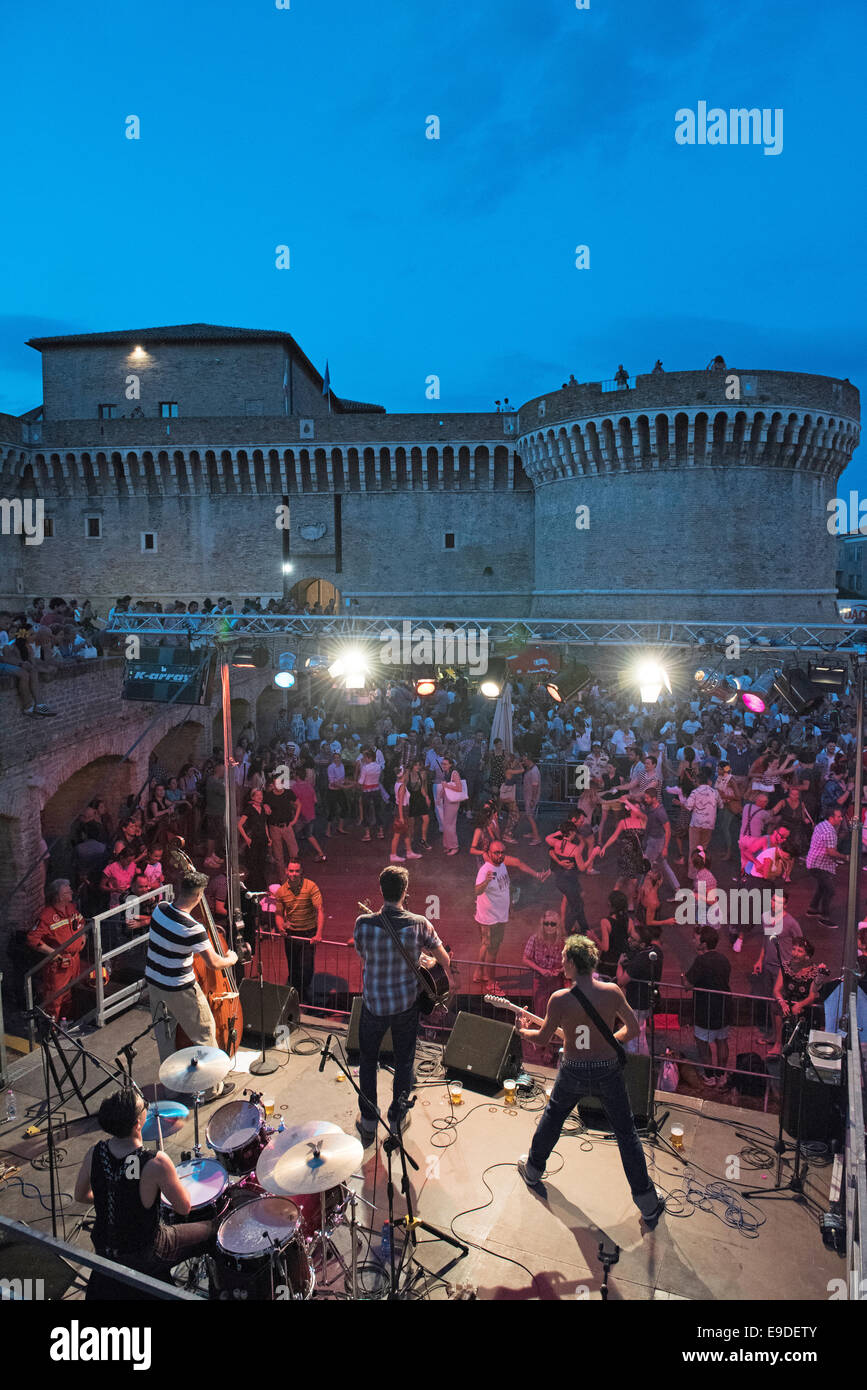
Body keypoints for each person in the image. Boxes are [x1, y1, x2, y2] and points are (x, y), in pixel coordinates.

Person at [515, 934, 663, 1224]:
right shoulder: (611, 992)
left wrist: (523, 1031)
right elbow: (632, 1029)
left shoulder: (560, 999)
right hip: (608, 1069)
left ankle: (532, 1171)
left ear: (571, 963)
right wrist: (610, 1042)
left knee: (554, 1117)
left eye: (563, 959)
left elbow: (544, 1038)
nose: (561, 963)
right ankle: (647, 1202)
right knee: (626, 1132)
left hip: (572, 1069)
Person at [74, 1088, 215, 1299]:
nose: (147, 1108)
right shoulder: (155, 1161)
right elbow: (183, 1207)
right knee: (213, 1231)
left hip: (105, 1249)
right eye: (144, 1107)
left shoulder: (95, 1152)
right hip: (146, 1251)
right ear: (137, 1123)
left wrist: (114, 1197)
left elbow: (81, 1196)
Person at [353, 866, 451, 1145]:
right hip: (405, 1006)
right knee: (404, 1060)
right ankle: (396, 1118)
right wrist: (426, 960)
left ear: (381, 890)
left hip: (373, 1005)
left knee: (368, 1061)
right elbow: (444, 961)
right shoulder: (420, 923)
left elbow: (363, 953)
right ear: (405, 892)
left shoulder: (363, 923)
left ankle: (369, 1120)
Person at [145, 871, 237, 1102]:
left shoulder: (161, 909)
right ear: (199, 896)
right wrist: (232, 958)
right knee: (205, 1033)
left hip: (155, 984)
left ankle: (172, 1089)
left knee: (165, 1036)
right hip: (180, 989)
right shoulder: (193, 928)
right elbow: (214, 963)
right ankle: (212, 1090)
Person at [473, 841, 550, 989]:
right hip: (490, 917)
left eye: (502, 852)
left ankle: (479, 973)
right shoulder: (485, 870)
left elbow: (505, 887)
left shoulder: (501, 866)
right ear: (489, 853)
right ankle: (490, 982)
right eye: (496, 852)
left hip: (499, 915)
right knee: (492, 950)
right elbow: (477, 891)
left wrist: (509, 907)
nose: (500, 855)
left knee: (486, 944)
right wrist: (486, 882)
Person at [26, 880, 86, 1022]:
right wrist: (54, 954)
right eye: (67, 891)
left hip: (74, 960)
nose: (71, 892)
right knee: (54, 1000)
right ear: (58, 896)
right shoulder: (46, 916)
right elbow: (32, 939)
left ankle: (65, 1024)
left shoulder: (71, 908)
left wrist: (83, 939)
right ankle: (50, 1032)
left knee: (69, 996)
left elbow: (82, 923)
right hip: (59, 965)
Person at [684, 928, 732, 1086]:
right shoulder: (724, 959)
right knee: (722, 1040)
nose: (693, 941)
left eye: (695, 939)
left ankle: (709, 1075)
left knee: (702, 1042)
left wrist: (683, 977)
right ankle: (722, 1074)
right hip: (724, 1006)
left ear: (703, 944)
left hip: (706, 1008)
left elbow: (688, 984)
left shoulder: (701, 961)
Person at [274, 860, 324, 1005]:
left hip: (308, 933)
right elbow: (278, 913)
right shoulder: (282, 891)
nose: (294, 874)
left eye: (296, 871)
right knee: (293, 967)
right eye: (291, 871)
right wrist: (280, 926)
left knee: (307, 967)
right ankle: (296, 999)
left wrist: (318, 933)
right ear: (286, 871)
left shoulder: (311, 886)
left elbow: (320, 910)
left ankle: (305, 996)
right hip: (291, 934)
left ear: (301, 872)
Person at [617, 920, 663, 1053]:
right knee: (639, 1034)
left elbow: (621, 981)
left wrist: (620, 964)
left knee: (634, 1037)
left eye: (633, 939)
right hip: (647, 1000)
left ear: (642, 944)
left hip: (636, 1002)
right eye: (630, 936)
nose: (629, 940)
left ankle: (637, 1065)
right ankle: (642, 1063)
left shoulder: (639, 961)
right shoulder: (656, 951)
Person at [545, 821, 595, 933]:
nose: (575, 835)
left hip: (560, 881)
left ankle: (585, 928)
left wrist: (559, 832)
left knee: (577, 904)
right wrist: (593, 855)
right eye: (574, 833)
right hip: (569, 883)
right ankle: (566, 930)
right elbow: (582, 868)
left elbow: (547, 838)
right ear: (571, 832)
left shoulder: (556, 843)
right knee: (577, 906)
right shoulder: (574, 849)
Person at [805, 808, 847, 927]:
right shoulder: (830, 831)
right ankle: (824, 917)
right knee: (829, 889)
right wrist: (845, 857)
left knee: (822, 886)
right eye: (838, 817)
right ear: (831, 818)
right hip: (819, 865)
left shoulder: (821, 825)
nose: (841, 818)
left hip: (813, 862)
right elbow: (831, 852)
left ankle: (812, 909)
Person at [522, 910, 566, 1023]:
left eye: (553, 924)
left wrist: (560, 970)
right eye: (546, 923)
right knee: (540, 1010)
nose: (549, 927)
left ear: (558, 925)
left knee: (555, 1009)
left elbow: (570, 962)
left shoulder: (563, 941)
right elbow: (525, 959)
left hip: (557, 981)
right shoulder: (535, 938)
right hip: (540, 980)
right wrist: (541, 970)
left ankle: (555, 1036)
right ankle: (540, 1036)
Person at [265, 773, 298, 879]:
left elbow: (298, 804)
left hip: (287, 826)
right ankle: (283, 879)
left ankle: (293, 875)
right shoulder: (269, 796)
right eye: (275, 783)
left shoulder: (288, 793)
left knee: (294, 852)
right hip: (274, 827)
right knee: (278, 856)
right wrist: (265, 806)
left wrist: (295, 820)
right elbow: (262, 805)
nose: (277, 785)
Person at [238, 787, 271, 891]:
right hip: (254, 839)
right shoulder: (249, 809)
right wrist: (247, 838)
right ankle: (253, 886)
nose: (260, 797)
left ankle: (261, 886)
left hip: (263, 839)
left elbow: (264, 824)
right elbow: (239, 825)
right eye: (257, 795)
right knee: (254, 863)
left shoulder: (262, 809)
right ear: (253, 797)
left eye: (261, 795)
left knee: (262, 862)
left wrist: (268, 837)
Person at [593, 889, 631, 977]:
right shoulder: (629, 921)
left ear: (610, 904)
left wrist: (594, 937)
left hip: (608, 964)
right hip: (622, 962)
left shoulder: (605, 922)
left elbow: (605, 948)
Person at [439, 755, 463, 855]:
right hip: (447, 800)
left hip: (453, 802)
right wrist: (440, 796)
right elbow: (445, 787)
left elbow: (459, 788)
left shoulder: (454, 773)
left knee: (449, 824)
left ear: (450, 764)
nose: (443, 765)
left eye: (445, 764)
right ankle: (448, 845)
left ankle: (454, 846)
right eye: (442, 764)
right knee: (446, 823)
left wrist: (446, 786)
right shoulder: (446, 773)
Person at [520, 753, 542, 844]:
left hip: (531, 797)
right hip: (528, 796)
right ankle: (533, 833)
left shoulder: (534, 771)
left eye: (525, 760)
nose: (523, 762)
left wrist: (533, 800)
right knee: (530, 815)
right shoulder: (531, 769)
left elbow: (535, 787)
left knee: (529, 816)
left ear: (529, 760)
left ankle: (537, 837)